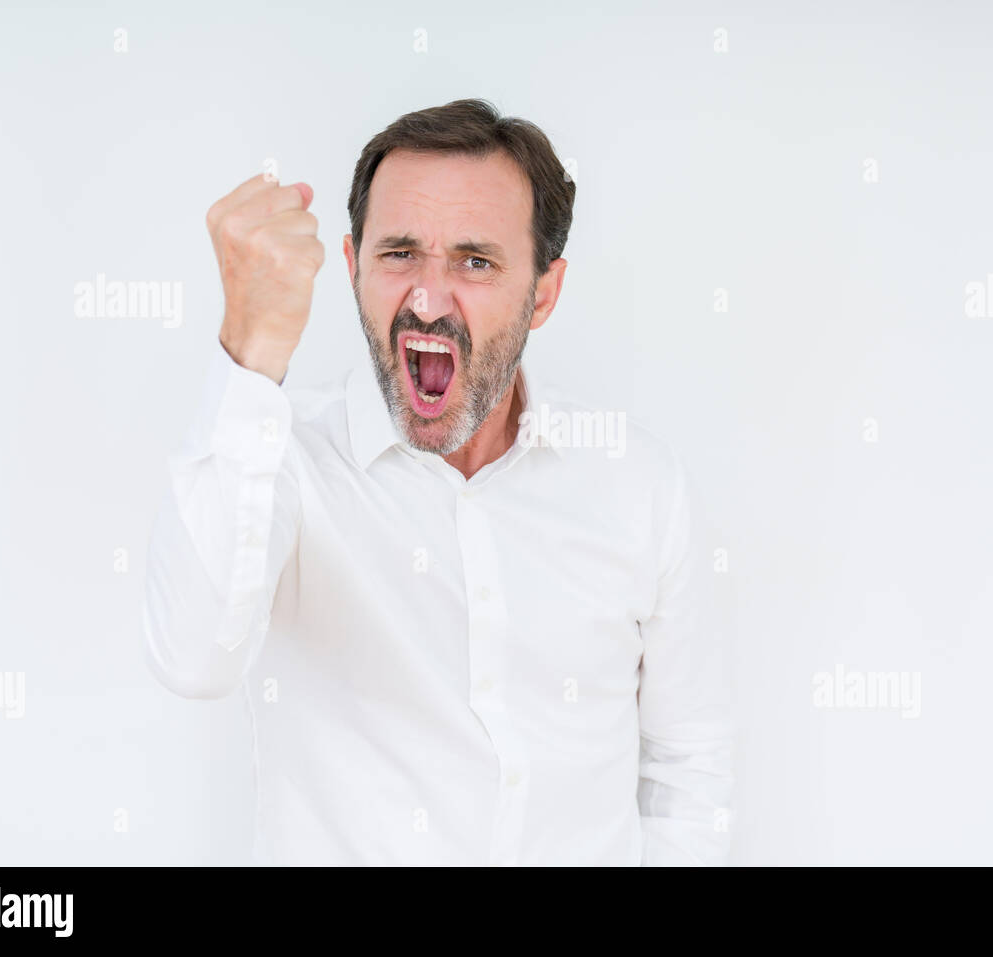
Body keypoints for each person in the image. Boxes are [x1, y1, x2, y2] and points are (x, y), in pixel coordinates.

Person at [142, 98, 735, 865]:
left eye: (474, 260)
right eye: (399, 255)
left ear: (544, 293)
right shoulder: (278, 459)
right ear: (352, 270)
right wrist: (250, 355)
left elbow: (690, 766)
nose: (427, 298)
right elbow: (192, 657)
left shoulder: (638, 483)